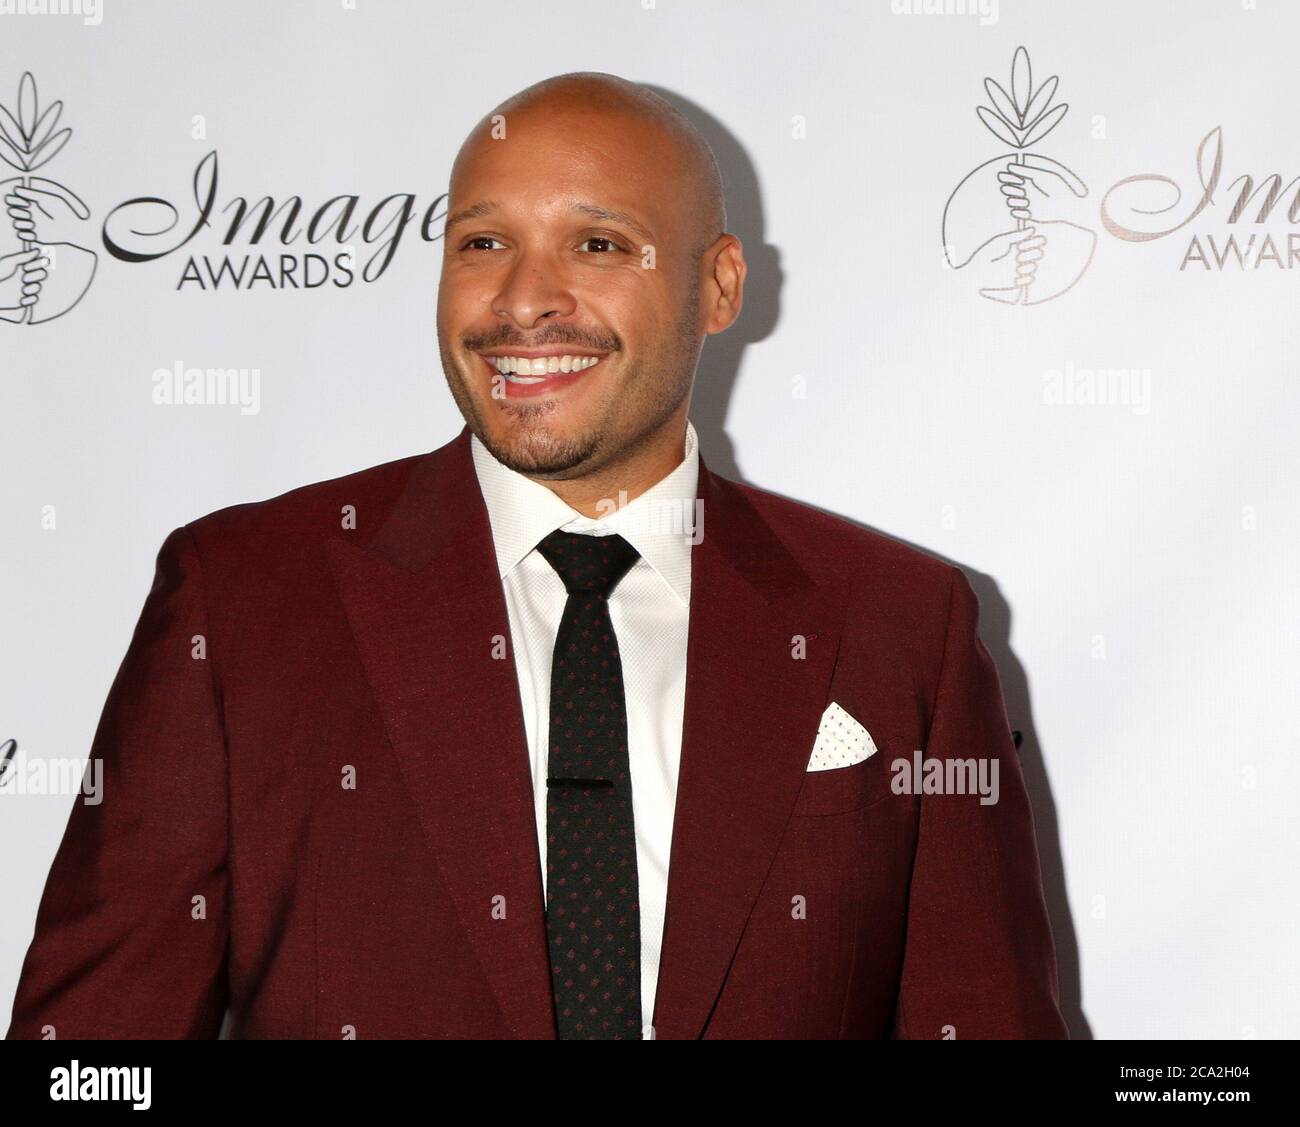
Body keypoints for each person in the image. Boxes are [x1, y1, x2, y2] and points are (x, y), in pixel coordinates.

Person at [6, 71, 1068, 1040]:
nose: (523, 299)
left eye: (597, 244)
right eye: (481, 243)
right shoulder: (244, 598)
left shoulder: (898, 622)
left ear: (720, 285)